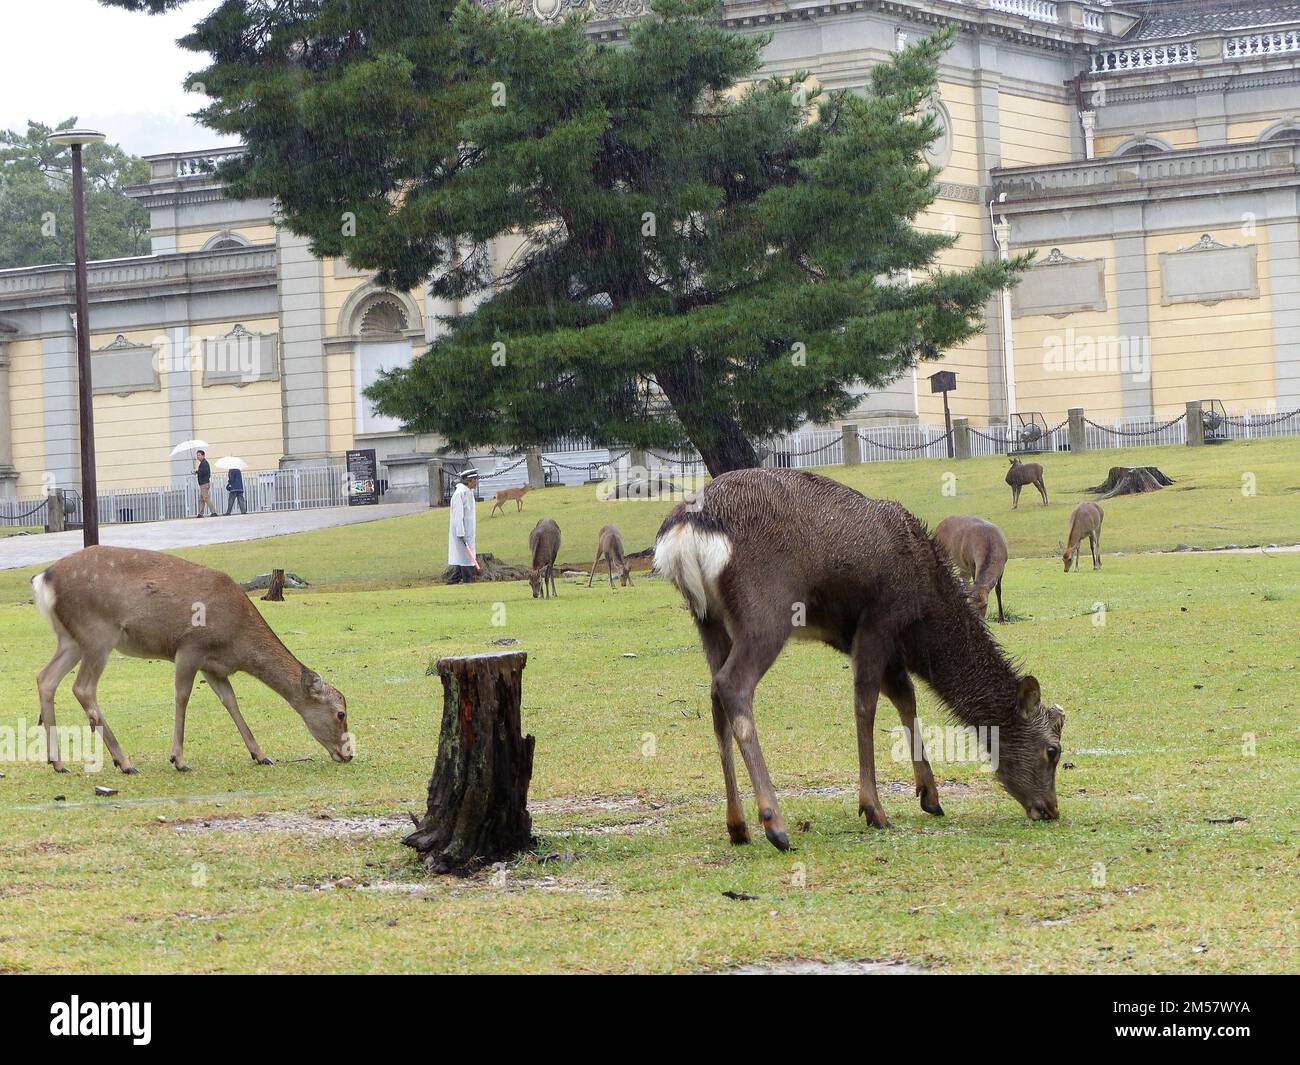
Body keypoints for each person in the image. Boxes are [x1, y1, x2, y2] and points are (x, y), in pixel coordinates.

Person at [447, 468, 480, 584]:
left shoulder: (468, 492)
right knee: (465, 558)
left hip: (468, 531)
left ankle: (458, 580)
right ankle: (466, 580)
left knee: (466, 557)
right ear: (469, 481)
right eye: (475, 480)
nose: (476, 482)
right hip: (462, 532)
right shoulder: (459, 494)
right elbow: (458, 515)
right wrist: (460, 533)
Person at [194, 450, 218, 517]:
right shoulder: (202, 463)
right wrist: (197, 472)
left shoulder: (204, 463)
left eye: (199, 455)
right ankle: (200, 513)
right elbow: (202, 472)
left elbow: (204, 472)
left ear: (203, 455)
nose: (198, 457)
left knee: (206, 498)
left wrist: (197, 471)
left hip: (204, 483)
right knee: (201, 499)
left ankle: (213, 512)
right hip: (202, 483)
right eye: (197, 455)